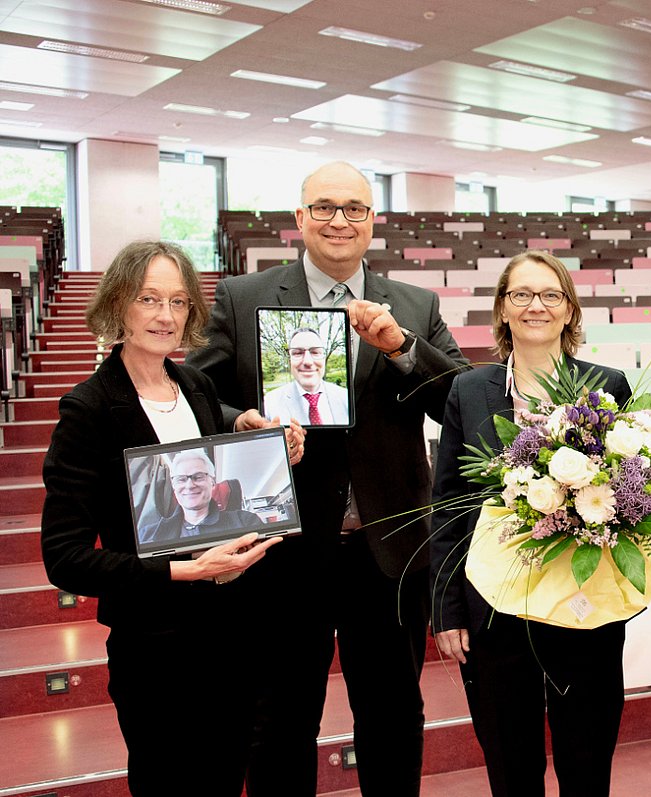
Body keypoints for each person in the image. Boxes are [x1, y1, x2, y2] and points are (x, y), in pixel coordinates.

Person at [188, 160, 468, 796]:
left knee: (393, 715)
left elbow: (457, 401)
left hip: (388, 550)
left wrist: (401, 349)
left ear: (372, 220)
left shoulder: (414, 305)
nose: (339, 220)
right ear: (300, 218)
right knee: (279, 719)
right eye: (324, 207)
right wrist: (241, 422)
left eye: (353, 208)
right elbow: (197, 396)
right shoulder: (244, 297)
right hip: (283, 547)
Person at [40, 241, 303, 796]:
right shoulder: (88, 409)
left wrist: (262, 441)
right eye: (149, 299)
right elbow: (65, 559)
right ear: (118, 305)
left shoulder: (196, 387)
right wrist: (186, 571)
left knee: (226, 779)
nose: (166, 315)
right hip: (154, 645)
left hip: (230, 634)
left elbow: (216, 478)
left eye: (179, 302)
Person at [430, 251, 633, 797]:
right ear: (502, 308)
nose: (535, 306)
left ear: (569, 309)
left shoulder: (607, 386)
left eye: (550, 295)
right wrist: (447, 609)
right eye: (520, 294)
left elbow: (632, 497)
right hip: (494, 610)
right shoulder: (469, 390)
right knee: (510, 765)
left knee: (586, 763)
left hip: (583, 606)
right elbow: (448, 503)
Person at [138, 449, 265, 544]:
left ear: (212, 482)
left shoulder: (246, 522)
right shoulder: (147, 535)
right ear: (174, 486)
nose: (189, 485)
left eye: (198, 477)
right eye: (181, 479)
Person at [262, 327, 350, 425]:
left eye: (315, 352)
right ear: (289, 361)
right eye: (298, 353)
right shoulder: (269, 404)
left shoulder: (346, 397)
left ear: (324, 358)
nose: (308, 361)